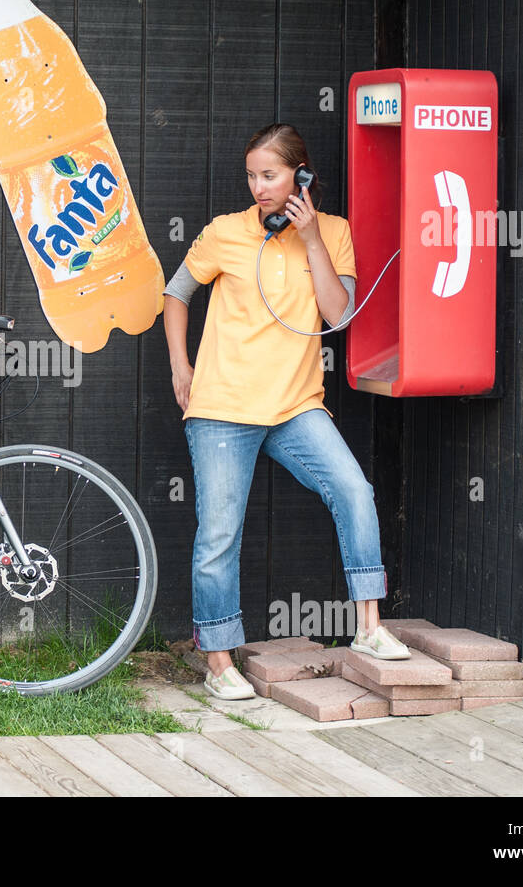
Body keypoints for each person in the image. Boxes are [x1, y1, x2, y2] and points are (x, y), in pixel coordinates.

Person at [162, 123, 410, 702]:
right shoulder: (226, 232)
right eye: (252, 176)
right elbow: (175, 293)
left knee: (353, 489)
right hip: (223, 407)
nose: (259, 187)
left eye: (269, 175)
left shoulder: (335, 233)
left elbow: (338, 314)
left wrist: (312, 239)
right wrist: (181, 366)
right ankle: (219, 660)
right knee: (220, 533)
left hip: (296, 405)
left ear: (302, 176)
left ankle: (369, 627)